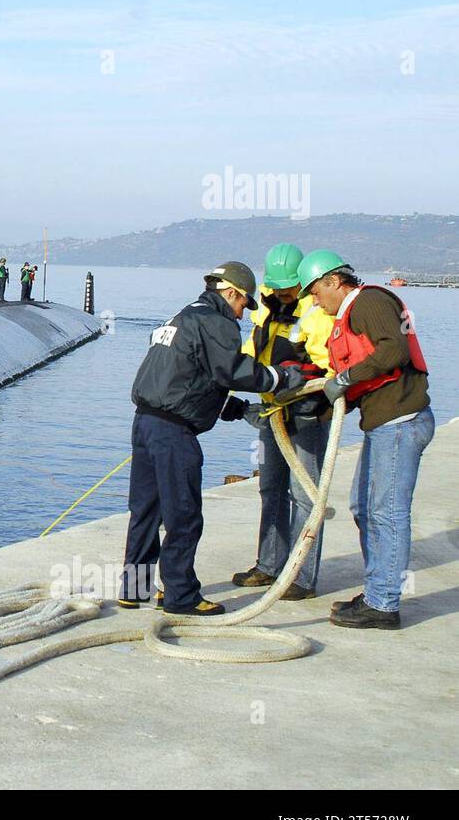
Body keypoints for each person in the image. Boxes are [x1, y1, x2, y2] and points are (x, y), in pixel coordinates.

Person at [118, 261, 305, 615]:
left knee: (146, 509)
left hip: (145, 423)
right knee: (183, 515)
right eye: (243, 304)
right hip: (174, 432)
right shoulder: (216, 321)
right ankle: (182, 597)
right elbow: (232, 370)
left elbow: (185, 373)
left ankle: (136, 588)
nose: (242, 314)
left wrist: (223, 405)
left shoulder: (183, 315)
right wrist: (280, 377)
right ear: (231, 292)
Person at [299, 249, 432, 629]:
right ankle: (378, 589)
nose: (314, 299)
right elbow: (366, 377)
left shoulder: (368, 302)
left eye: (315, 291)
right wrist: (315, 408)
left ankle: (384, 604)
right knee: (364, 507)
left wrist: (344, 379)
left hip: (400, 421)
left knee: (386, 513)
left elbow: (393, 348)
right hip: (385, 422)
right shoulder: (351, 313)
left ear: (333, 281)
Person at [229, 244, 335, 600]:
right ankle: (270, 565)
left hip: (307, 412)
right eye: (278, 287)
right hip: (271, 411)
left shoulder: (316, 310)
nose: (283, 293)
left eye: (289, 287)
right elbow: (252, 350)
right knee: (270, 487)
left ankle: (301, 578)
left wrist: (312, 394)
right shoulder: (268, 306)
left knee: (305, 493)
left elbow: (329, 364)